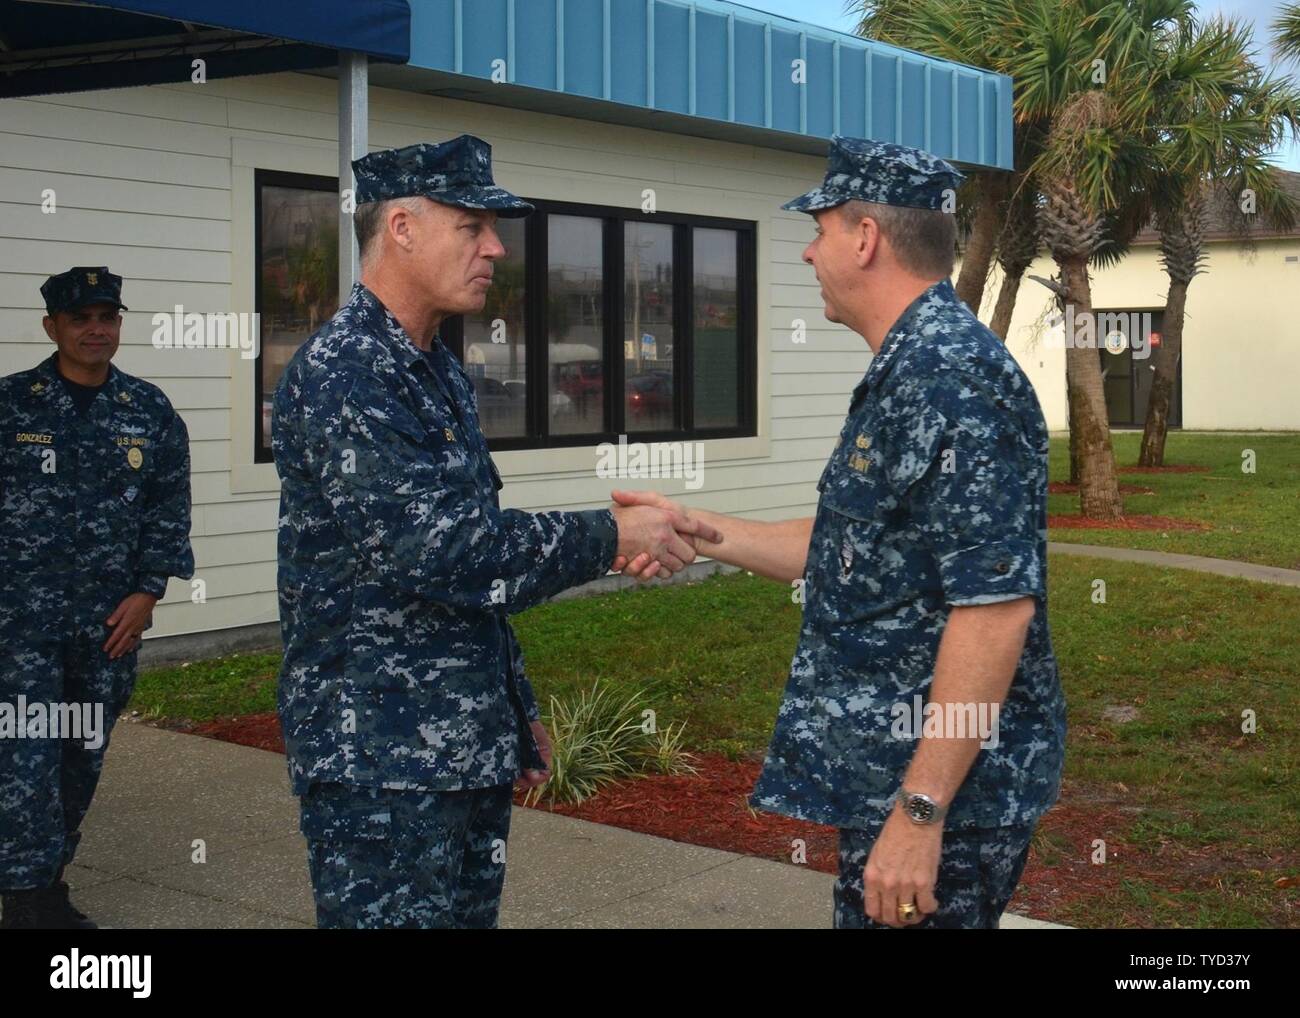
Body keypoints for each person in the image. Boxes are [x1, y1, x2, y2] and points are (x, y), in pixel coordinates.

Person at [614, 135, 1067, 929]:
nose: (806, 253)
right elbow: (848, 547)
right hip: (897, 782)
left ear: (865, 239)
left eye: (818, 230)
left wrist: (920, 814)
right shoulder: (911, 365)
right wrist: (697, 528)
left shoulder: (950, 379)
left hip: (942, 799)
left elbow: (996, 610)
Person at [272, 134, 719, 929]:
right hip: (381, 757)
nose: (495, 247)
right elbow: (442, 552)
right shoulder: (348, 372)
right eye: (472, 226)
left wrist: (514, 703)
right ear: (401, 227)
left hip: (452, 742)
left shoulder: (434, 366)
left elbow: (470, 559)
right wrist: (612, 535)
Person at [0, 267, 195, 929]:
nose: (96, 330)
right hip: (18, 625)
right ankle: (29, 899)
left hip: (106, 627)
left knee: (79, 757)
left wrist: (148, 593)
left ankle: (47, 878)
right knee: (23, 759)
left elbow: (168, 511)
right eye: (81, 318)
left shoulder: (148, 412)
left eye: (107, 317)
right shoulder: (11, 406)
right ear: (51, 326)